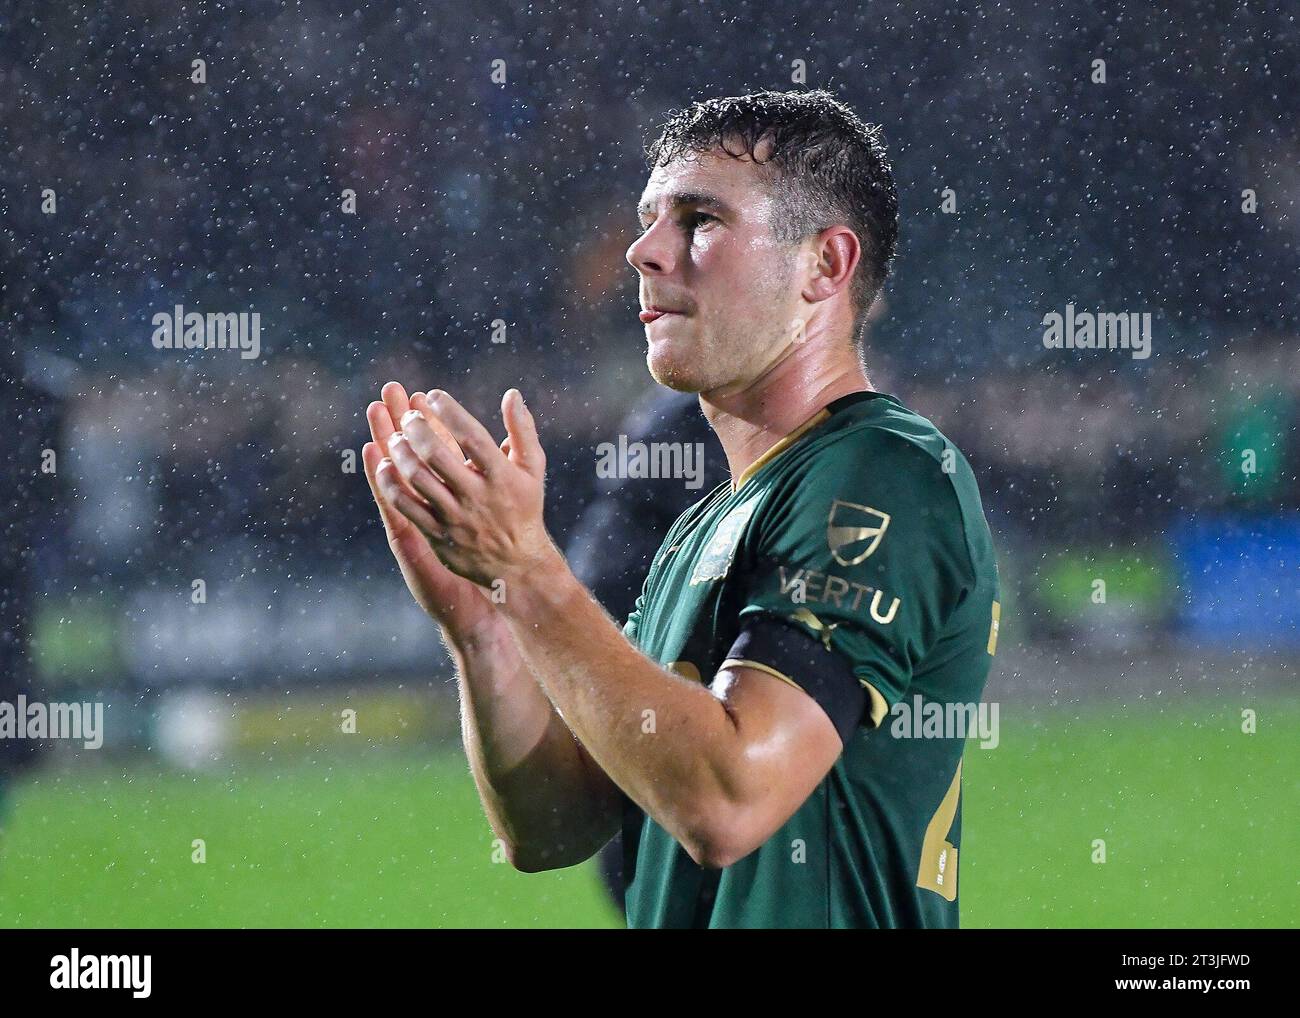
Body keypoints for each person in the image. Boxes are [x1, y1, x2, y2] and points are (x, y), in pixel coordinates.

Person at [362, 89, 1000, 928]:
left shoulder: (884, 471)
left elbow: (726, 800)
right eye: (648, 218)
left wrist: (527, 567)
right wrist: (484, 624)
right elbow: (555, 828)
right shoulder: (701, 527)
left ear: (825, 266)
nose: (641, 251)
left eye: (699, 221)